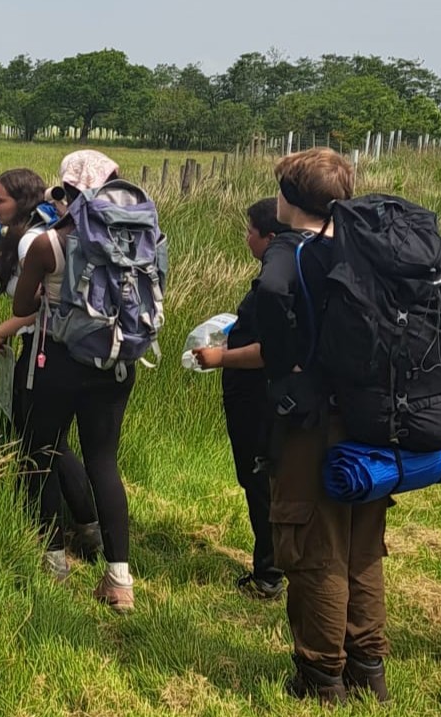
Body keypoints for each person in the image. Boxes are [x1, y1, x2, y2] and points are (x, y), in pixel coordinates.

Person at [250, 148, 389, 704]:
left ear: (289, 198)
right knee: (363, 546)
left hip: (316, 424)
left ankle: (321, 675)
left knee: (315, 545)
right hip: (372, 418)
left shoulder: (293, 251)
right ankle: (368, 668)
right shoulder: (366, 248)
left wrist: (286, 361)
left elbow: (270, 293)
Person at [11, 149, 136, 609]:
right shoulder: (136, 237)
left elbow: (22, 307)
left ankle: (54, 560)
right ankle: (119, 579)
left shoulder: (49, 243)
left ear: (66, 188)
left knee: (42, 452)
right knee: (104, 462)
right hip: (114, 361)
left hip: (58, 361)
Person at [0, 168, 101, 563]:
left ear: (21, 202)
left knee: (40, 445)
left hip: (41, 351)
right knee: (53, 442)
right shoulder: (34, 232)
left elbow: (45, 304)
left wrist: (5, 328)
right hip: (55, 350)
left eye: (0, 199)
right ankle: (87, 527)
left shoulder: (29, 241)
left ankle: (53, 543)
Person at [191, 198, 291, 602]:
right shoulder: (286, 274)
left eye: (250, 231)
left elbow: (270, 351)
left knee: (260, 482)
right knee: (265, 481)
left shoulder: (274, 285)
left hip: (257, 398)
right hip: (259, 396)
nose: (246, 238)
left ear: (270, 237)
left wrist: (219, 358)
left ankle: (269, 574)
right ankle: (275, 564)